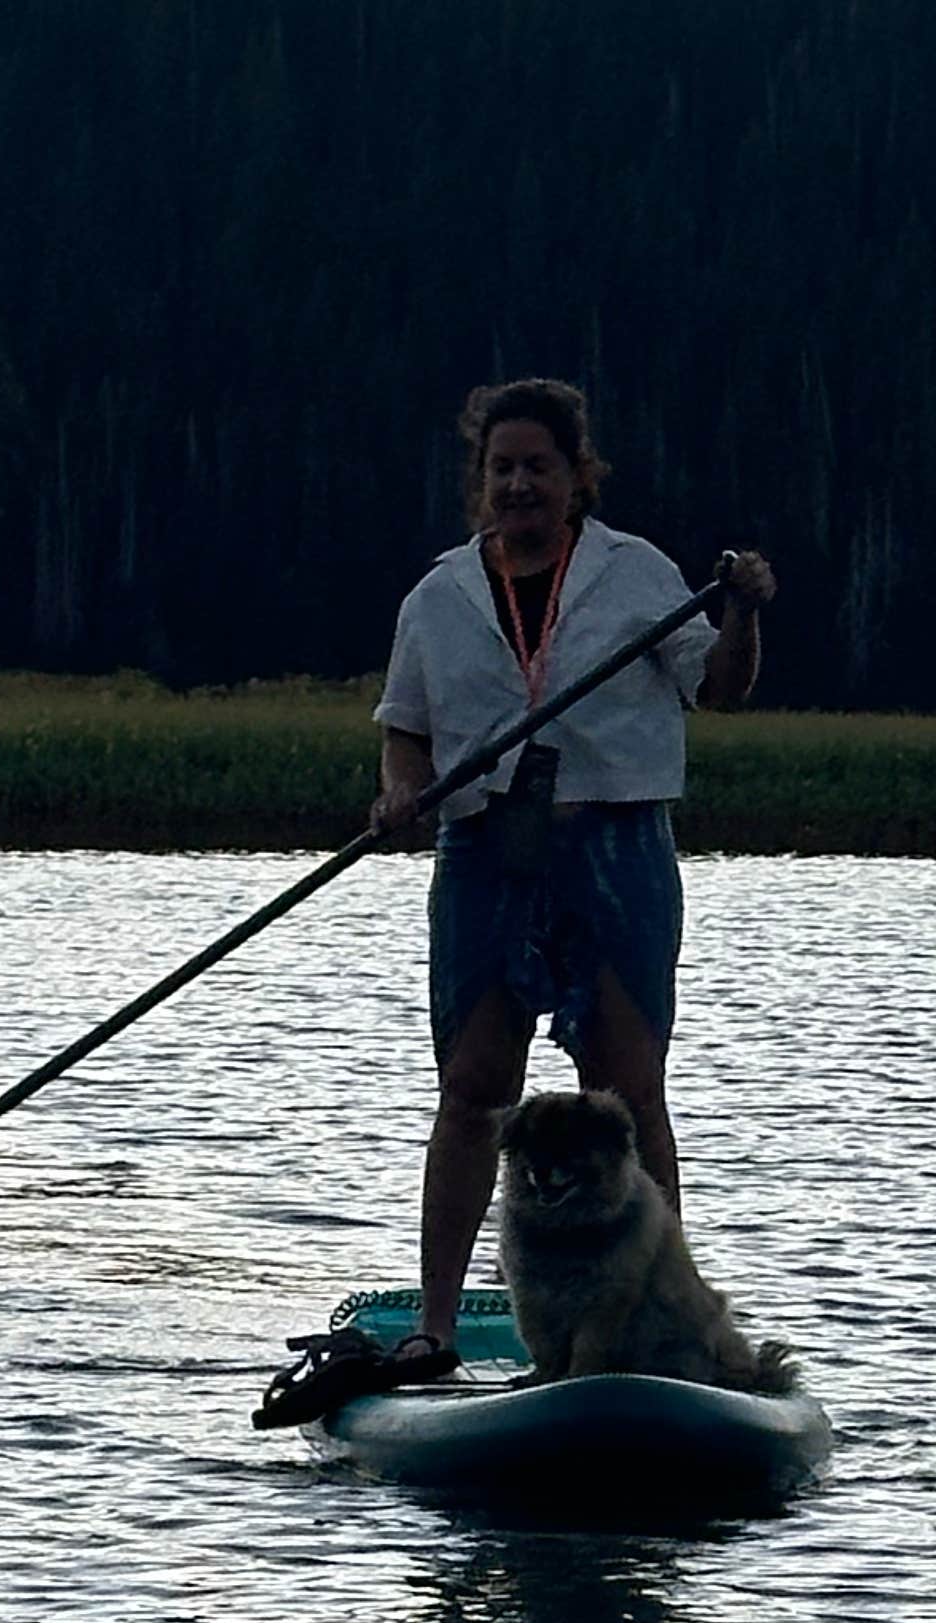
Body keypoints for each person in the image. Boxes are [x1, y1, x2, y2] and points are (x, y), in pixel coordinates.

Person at [369, 377, 775, 1377]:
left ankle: (667, 1326)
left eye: (538, 468)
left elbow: (720, 686)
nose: (519, 486)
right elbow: (405, 733)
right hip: (487, 856)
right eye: (502, 469)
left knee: (628, 1093)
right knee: (473, 1090)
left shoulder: (639, 576)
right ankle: (437, 1328)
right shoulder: (439, 595)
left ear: (575, 478)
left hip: (617, 852)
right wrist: (401, 798)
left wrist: (743, 614)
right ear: (481, 481)